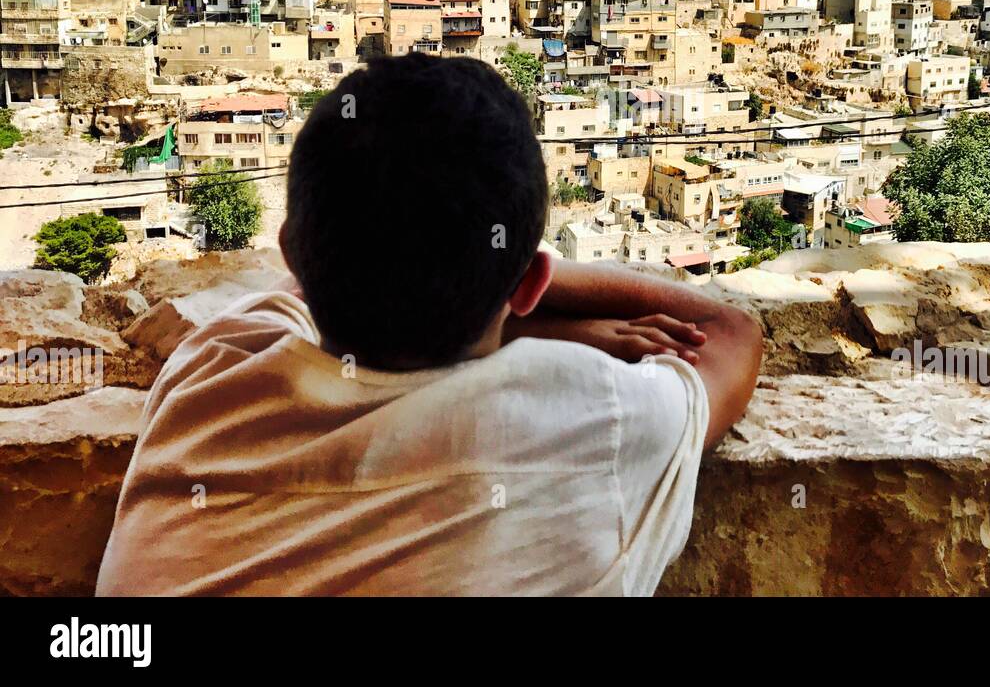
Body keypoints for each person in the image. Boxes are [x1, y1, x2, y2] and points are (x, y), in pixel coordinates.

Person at [96, 53, 762, 596]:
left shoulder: (211, 364)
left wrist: (510, 300)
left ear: (292, 248)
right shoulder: (594, 421)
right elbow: (731, 333)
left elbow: (340, 268)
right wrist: (523, 302)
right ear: (531, 283)